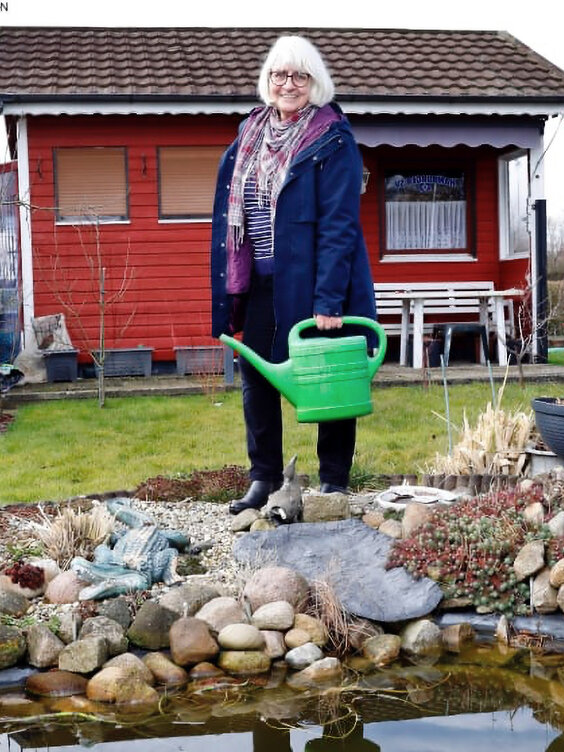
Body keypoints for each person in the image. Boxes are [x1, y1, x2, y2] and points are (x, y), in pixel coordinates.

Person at [211, 35, 376, 515]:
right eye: (279, 75)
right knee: (256, 377)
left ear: (315, 83)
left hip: (316, 282)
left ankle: (334, 481)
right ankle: (263, 477)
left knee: (333, 377)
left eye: (299, 76)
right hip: (262, 280)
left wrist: (328, 300)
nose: (288, 84)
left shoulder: (333, 139)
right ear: (268, 81)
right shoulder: (250, 134)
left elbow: (340, 226)